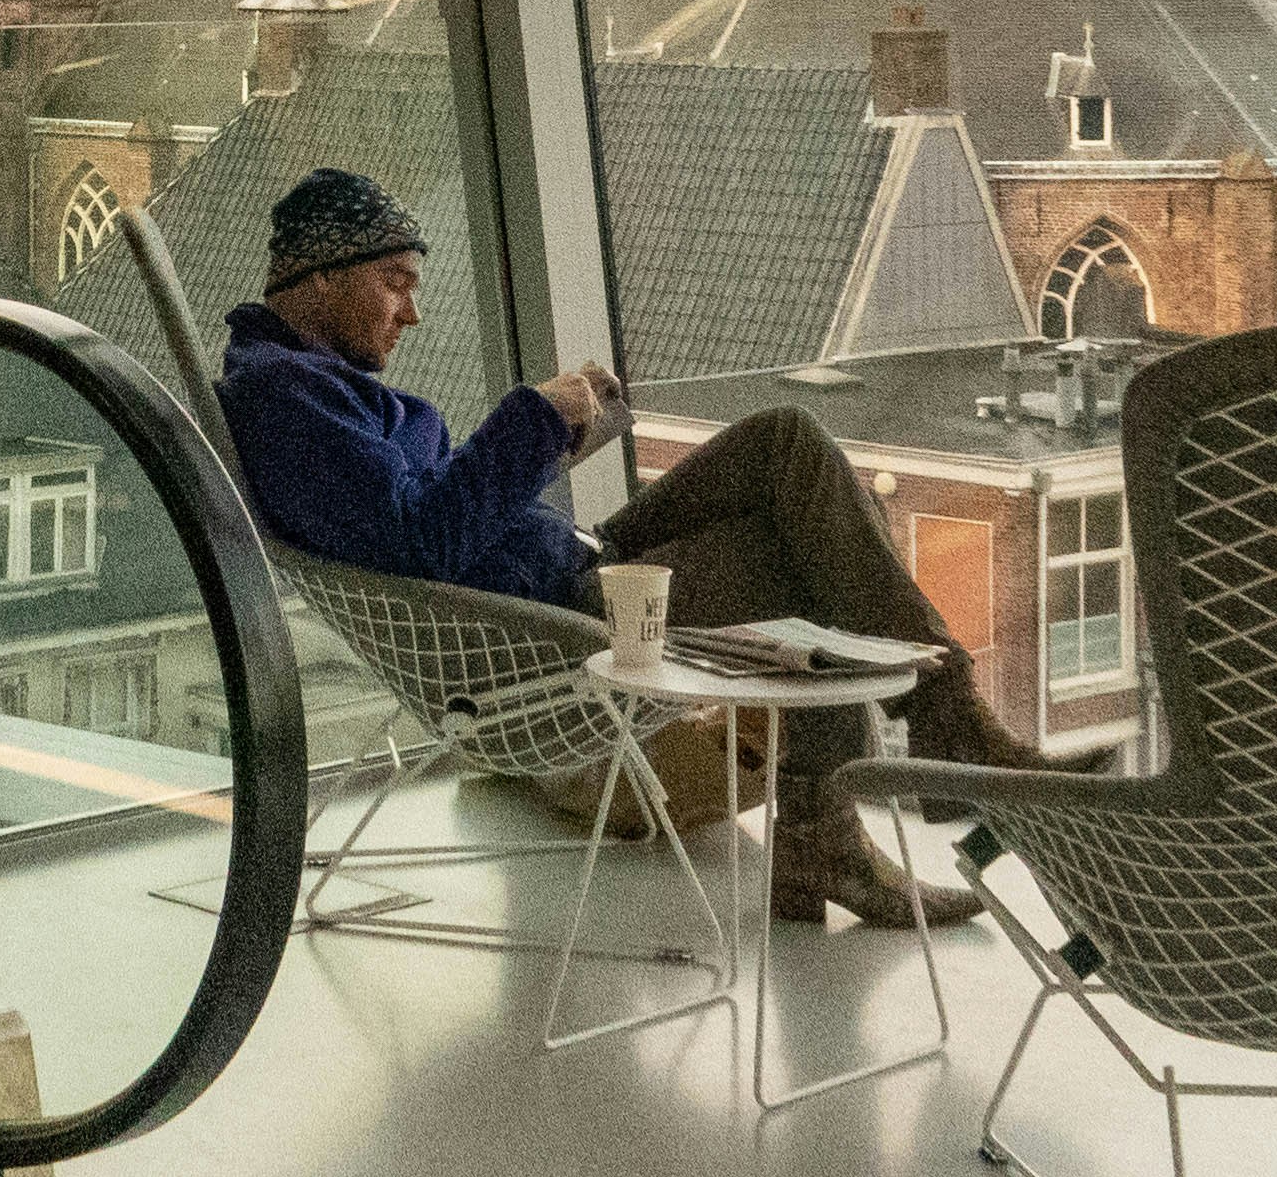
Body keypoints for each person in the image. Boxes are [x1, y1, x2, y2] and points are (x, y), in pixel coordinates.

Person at [217, 165, 1041, 927]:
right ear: (319, 275)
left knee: (787, 446)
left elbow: (427, 519)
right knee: (812, 552)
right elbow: (423, 542)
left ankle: (915, 746)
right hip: (564, 622)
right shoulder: (287, 397)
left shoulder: (305, 387)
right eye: (394, 282)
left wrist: (562, 436)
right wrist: (536, 415)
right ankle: (918, 748)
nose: (412, 312)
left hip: (571, 566)